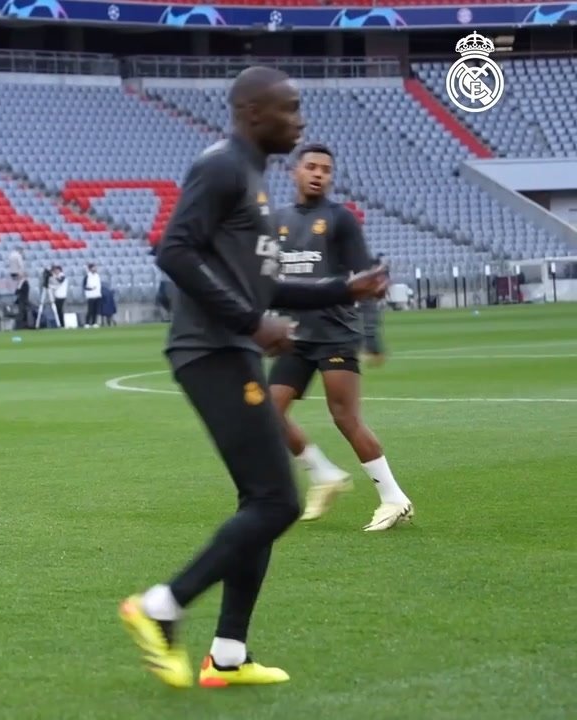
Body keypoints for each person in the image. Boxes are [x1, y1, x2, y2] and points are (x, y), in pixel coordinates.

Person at [117, 67, 390, 690]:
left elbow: (266, 285)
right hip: (210, 349)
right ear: (251, 112)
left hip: (232, 346)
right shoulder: (221, 168)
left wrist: (344, 287)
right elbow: (173, 251)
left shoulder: (253, 181)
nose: (300, 121)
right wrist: (250, 321)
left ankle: (229, 657)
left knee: (261, 501)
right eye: (290, 109)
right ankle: (162, 607)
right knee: (277, 501)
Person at [269, 143, 414, 532]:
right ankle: (324, 474)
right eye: (311, 167)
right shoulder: (278, 220)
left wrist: (372, 336)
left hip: (335, 334)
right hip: (297, 336)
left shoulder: (341, 220)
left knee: (345, 418)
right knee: (267, 411)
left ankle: (394, 498)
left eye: (326, 169)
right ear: (294, 172)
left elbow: (368, 280)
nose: (319, 174)